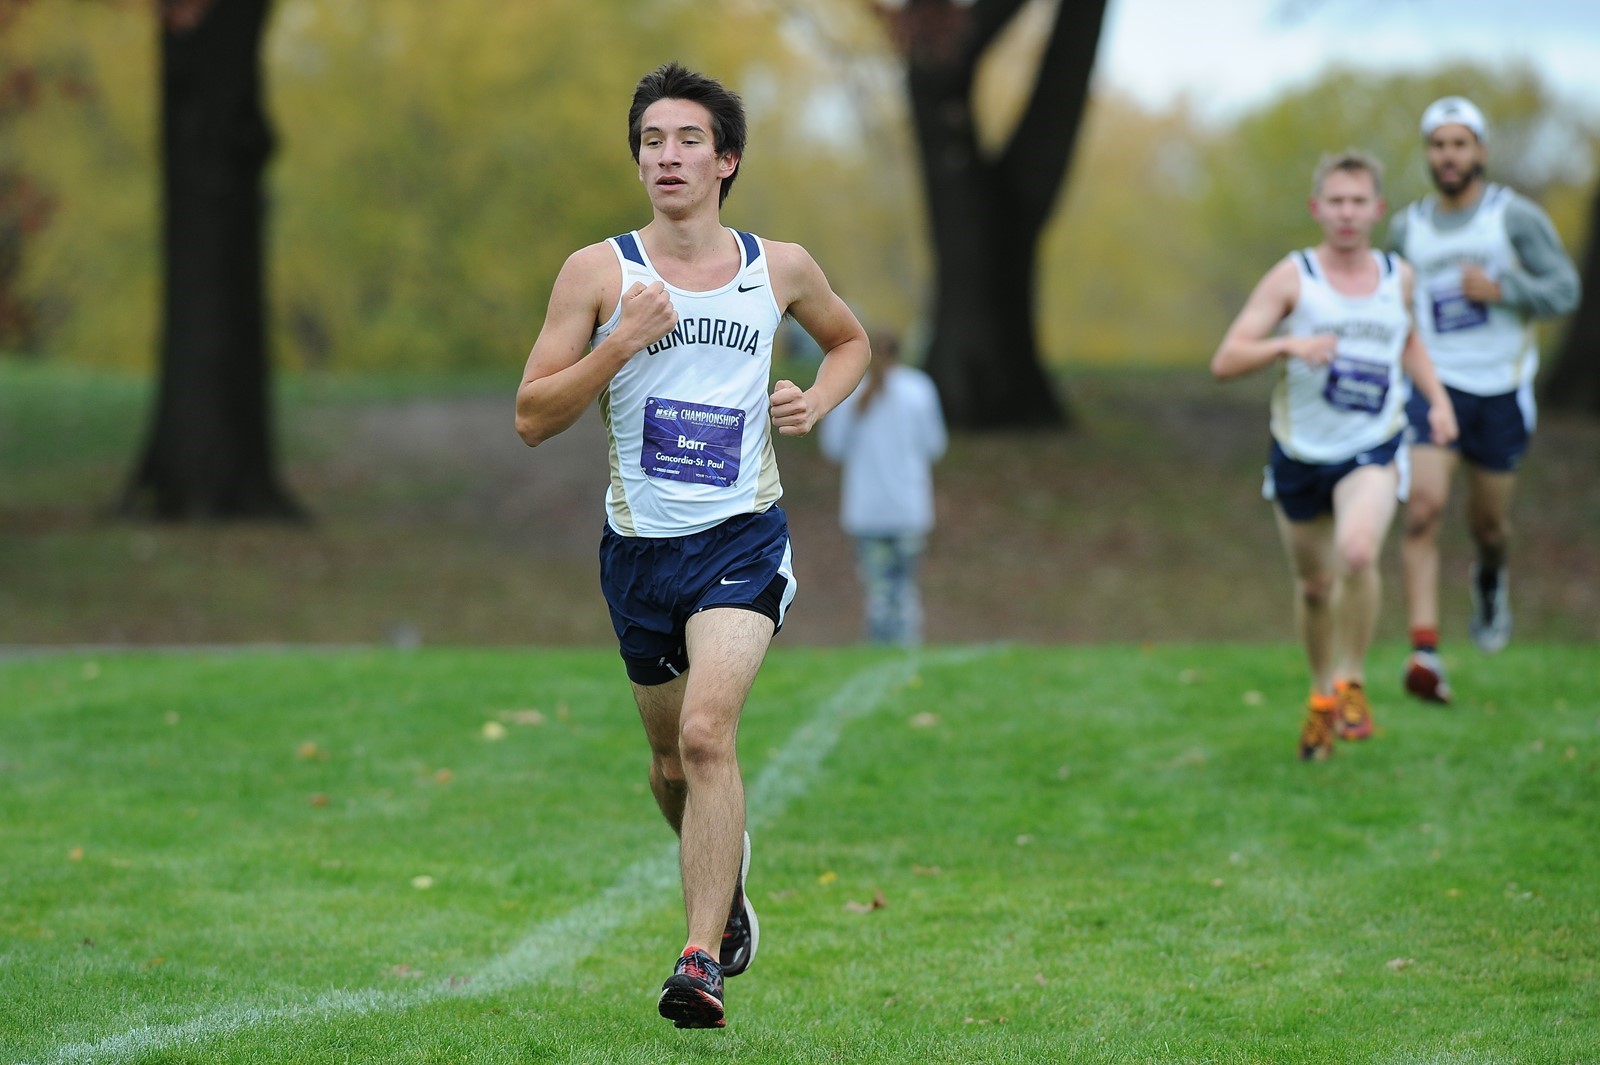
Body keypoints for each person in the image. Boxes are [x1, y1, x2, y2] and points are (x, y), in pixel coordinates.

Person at [513, 62, 870, 1029]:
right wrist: (619, 343)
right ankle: (731, 874)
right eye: (651, 142)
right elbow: (532, 416)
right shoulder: (599, 273)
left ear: (726, 160)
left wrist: (815, 399)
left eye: (686, 141)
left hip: (741, 540)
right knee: (671, 763)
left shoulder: (778, 265)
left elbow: (850, 342)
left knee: (711, 735)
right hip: (638, 553)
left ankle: (699, 956)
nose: (666, 156)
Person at [1211, 150, 1457, 762]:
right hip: (1299, 452)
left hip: (1371, 446)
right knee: (1316, 585)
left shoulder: (1397, 276)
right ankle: (1321, 697)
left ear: (1377, 209)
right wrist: (1287, 345)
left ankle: (1352, 680)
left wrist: (1439, 399)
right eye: (1336, 202)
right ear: (1317, 209)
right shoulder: (1294, 277)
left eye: (1359, 202)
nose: (1347, 214)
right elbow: (1226, 359)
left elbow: (1411, 342)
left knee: (1355, 550)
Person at [1388, 97, 1581, 703]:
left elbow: (1565, 288)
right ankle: (1425, 651)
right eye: (1438, 145)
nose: (1448, 156)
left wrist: (1503, 289)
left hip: (1499, 390)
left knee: (1489, 525)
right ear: (1428, 154)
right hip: (1432, 387)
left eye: (1459, 144)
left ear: (1481, 152)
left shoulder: (1511, 218)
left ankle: (1490, 578)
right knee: (1422, 509)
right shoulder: (1406, 228)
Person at [818, 328, 947, 646]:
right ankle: (907, 651)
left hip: (867, 510)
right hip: (908, 507)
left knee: (877, 591)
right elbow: (935, 445)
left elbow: (833, 447)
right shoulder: (919, 389)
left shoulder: (848, 392)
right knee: (905, 589)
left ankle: (878, 649)